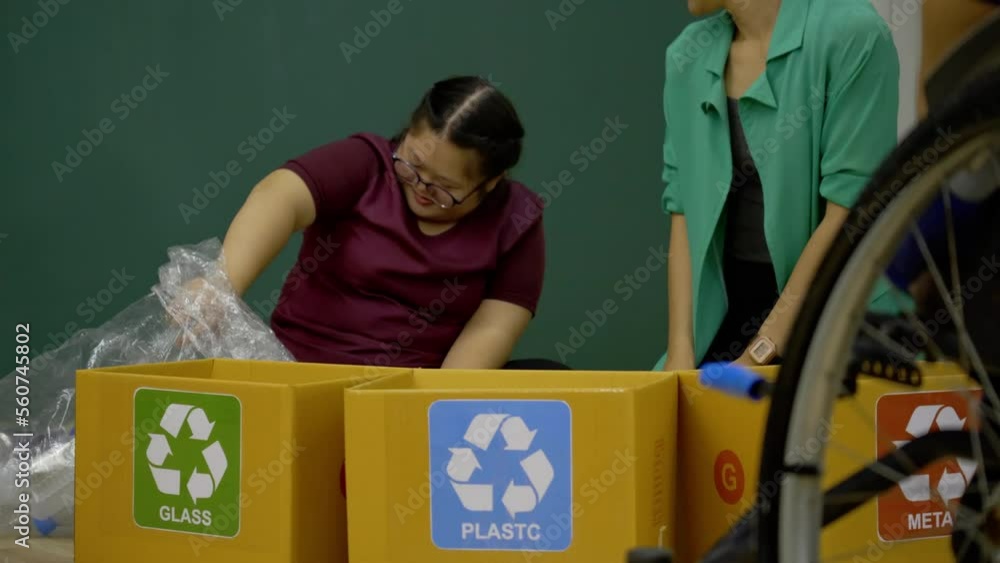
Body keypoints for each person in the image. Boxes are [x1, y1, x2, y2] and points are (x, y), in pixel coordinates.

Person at [205, 76, 563, 371]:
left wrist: (432, 403)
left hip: (411, 388)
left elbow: (494, 327)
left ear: (491, 182)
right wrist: (220, 286)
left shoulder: (516, 217)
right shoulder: (365, 163)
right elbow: (279, 196)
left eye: (445, 188)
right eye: (412, 165)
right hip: (305, 370)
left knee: (548, 377)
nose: (421, 189)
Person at [656, 0, 901, 371]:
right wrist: (679, 352)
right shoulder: (685, 55)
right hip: (729, 317)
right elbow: (683, 210)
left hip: (836, 310)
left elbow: (850, 212)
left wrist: (760, 352)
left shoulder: (854, 33)